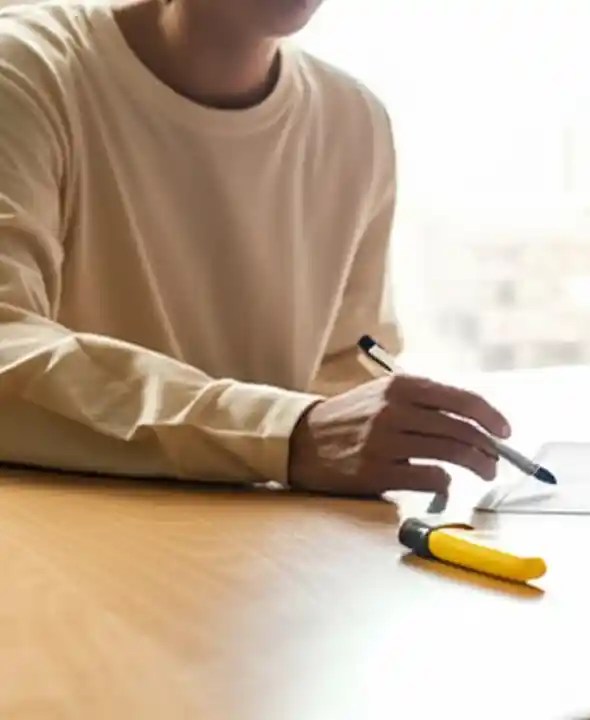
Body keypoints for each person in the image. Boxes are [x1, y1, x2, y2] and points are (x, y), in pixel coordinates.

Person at [0, 0, 509, 497]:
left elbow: (346, 368)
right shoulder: (25, 71)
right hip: (62, 538)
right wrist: (285, 433)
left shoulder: (352, 120)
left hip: (260, 545)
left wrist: (380, 435)